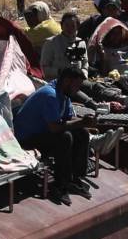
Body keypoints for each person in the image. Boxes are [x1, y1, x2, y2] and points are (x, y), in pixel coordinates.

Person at [14, 66, 94, 203]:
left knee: (82, 133)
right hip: (26, 139)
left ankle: (75, 178)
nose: (78, 90)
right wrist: (81, 122)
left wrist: (85, 122)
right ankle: (60, 185)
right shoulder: (50, 95)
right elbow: (55, 128)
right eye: (77, 85)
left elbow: (68, 119)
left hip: (44, 133)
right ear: (67, 81)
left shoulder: (63, 93)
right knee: (64, 137)